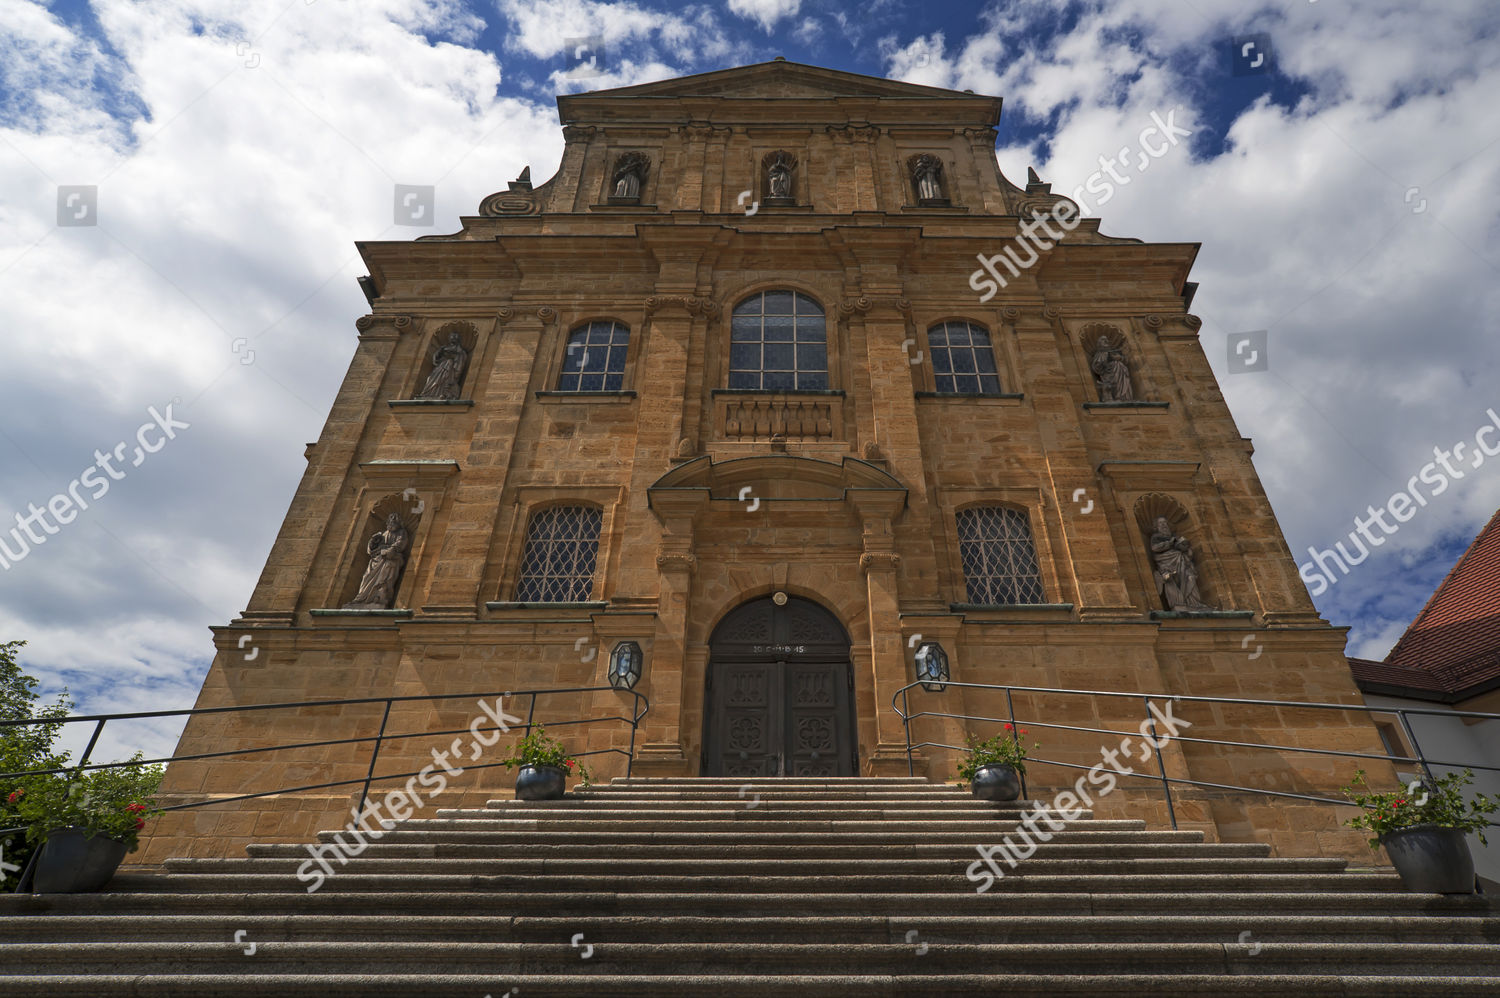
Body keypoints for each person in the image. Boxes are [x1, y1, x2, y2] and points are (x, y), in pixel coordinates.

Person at [345, 514, 410, 609]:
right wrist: (373, 542)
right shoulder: (383, 534)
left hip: (390, 558)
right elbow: (372, 549)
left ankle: (379, 597)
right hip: (377, 558)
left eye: (394, 523)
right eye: (390, 523)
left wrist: (390, 550)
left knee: (385, 576)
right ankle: (363, 596)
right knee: (367, 576)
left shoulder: (402, 533)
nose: (391, 524)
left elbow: (400, 544)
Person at [1150, 516, 1213, 611]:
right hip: (1167, 563)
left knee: (1190, 578)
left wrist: (1185, 548)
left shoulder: (1175, 536)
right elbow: (1155, 548)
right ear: (1157, 527)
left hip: (1182, 561)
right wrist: (1170, 543)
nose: (1164, 525)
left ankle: (1194, 603)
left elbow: (1184, 547)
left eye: (1165, 523)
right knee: (1172, 581)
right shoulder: (1156, 537)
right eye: (1161, 523)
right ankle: (1180, 603)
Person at [417, 331, 468, 400]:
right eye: (452, 337)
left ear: (458, 339)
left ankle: (443, 394)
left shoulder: (460, 350)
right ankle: (428, 393)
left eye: (455, 337)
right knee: (432, 379)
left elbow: (461, 359)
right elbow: (435, 357)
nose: (453, 338)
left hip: (450, 367)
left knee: (446, 378)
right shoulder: (443, 348)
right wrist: (440, 352)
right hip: (441, 366)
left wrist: (454, 357)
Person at [1090, 335, 1133, 402]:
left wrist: (1120, 358)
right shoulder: (1100, 353)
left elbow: (1126, 360)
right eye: (1103, 340)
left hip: (1120, 371)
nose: (1106, 341)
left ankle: (1123, 397)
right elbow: (1096, 366)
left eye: (1106, 340)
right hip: (1109, 373)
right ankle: (1117, 397)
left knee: (1119, 366)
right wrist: (1104, 362)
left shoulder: (1113, 351)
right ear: (1100, 343)